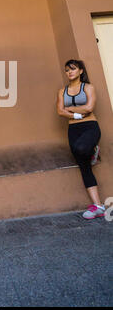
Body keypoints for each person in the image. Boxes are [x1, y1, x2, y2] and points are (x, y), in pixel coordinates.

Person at [57, 59, 104, 219]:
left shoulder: (88, 87)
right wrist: (77, 113)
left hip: (90, 126)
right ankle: (98, 206)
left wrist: (69, 108)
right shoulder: (62, 91)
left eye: (73, 69)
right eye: (67, 70)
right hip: (73, 129)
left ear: (80, 71)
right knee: (84, 166)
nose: (69, 72)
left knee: (82, 149)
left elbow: (90, 107)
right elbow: (60, 111)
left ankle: (93, 151)